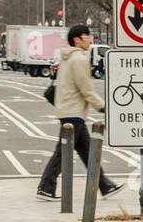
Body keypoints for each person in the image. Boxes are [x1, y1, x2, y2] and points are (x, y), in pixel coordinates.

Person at [37, 24, 124, 202]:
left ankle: (104, 185)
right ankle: (46, 187)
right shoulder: (79, 60)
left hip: (68, 110)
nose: (89, 40)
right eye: (86, 36)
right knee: (63, 152)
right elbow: (86, 88)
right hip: (73, 112)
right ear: (77, 39)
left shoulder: (67, 58)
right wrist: (102, 106)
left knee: (87, 151)